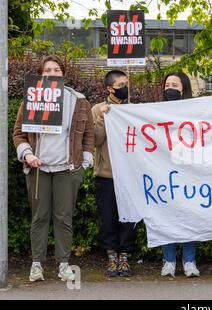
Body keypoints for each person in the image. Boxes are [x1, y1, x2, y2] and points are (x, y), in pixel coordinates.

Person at [13, 55, 94, 282]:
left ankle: (64, 264)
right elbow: (18, 133)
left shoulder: (78, 101)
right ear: (41, 74)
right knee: (40, 217)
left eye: (56, 69)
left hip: (66, 168)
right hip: (38, 168)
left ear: (63, 73)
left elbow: (89, 134)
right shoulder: (31, 99)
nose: (51, 73)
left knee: (63, 217)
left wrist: (84, 161)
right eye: (47, 69)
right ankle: (36, 264)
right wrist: (28, 155)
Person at [91, 70, 137, 277]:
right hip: (106, 174)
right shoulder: (97, 110)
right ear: (110, 88)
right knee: (108, 218)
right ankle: (112, 256)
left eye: (127, 83)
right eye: (121, 84)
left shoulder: (134, 110)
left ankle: (125, 256)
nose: (125, 87)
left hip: (129, 175)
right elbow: (95, 141)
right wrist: (103, 117)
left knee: (128, 219)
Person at [160, 71, 200, 278]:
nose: (171, 88)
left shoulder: (193, 111)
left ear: (183, 88)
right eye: (168, 84)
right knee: (167, 216)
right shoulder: (155, 112)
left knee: (189, 217)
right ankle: (168, 261)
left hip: (188, 171)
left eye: (175, 85)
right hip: (163, 172)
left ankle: (189, 261)